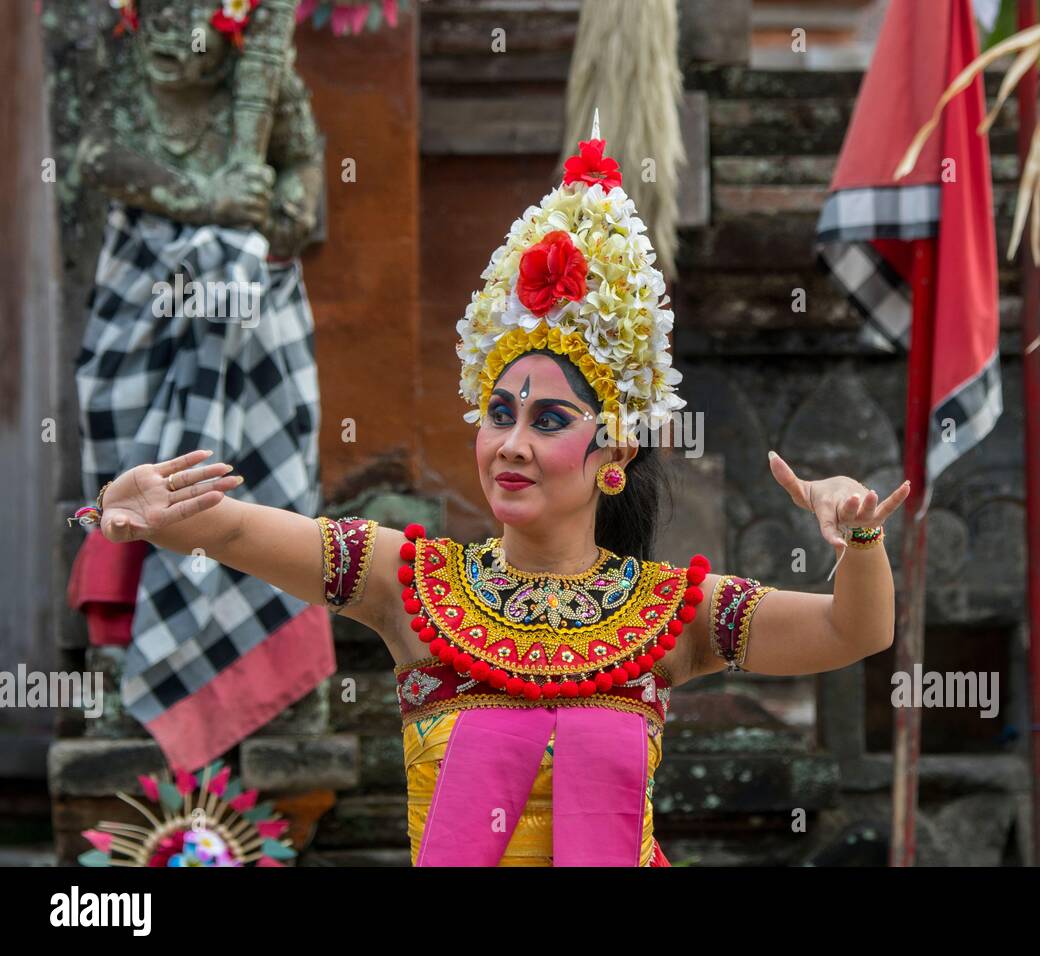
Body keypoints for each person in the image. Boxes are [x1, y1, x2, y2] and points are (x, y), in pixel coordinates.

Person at [71, 126, 909, 867]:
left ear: (612, 449)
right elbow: (234, 528)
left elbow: (856, 628)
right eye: (499, 414)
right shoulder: (411, 585)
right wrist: (129, 498)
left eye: (549, 420)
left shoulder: (671, 614)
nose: (511, 444)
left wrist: (857, 537)